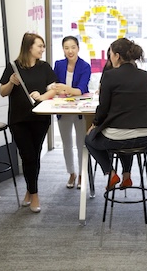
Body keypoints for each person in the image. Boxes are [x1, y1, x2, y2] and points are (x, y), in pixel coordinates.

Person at [85, 38, 147, 190]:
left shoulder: (110, 76)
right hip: (146, 136)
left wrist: (95, 124)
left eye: (110, 54)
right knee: (128, 135)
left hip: (118, 136)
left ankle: (111, 173)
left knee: (89, 140)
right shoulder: (145, 75)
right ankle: (127, 175)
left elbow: (103, 108)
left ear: (117, 56)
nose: (110, 58)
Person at [0, 32, 57, 213]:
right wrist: (10, 82)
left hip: (40, 119)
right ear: (29, 47)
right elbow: (2, 91)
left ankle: (30, 190)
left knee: (35, 155)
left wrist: (41, 96)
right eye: (39, 46)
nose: (42, 49)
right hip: (19, 119)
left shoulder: (45, 67)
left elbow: (53, 91)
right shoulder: (13, 67)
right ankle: (35, 193)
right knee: (27, 156)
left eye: (43, 46)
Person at [52, 35, 91, 190]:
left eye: (73, 47)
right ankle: (71, 173)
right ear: (63, 49)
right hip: (63, 109)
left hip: (80, 109)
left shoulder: (85, 66)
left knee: (81, 143)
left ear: (78, 48)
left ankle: (82, 173)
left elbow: (81, 89)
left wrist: (65, 89)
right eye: (66, 48)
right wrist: (65, 90)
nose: (70, 51)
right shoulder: (59, 64)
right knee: (66, 143)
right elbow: (55, 87)